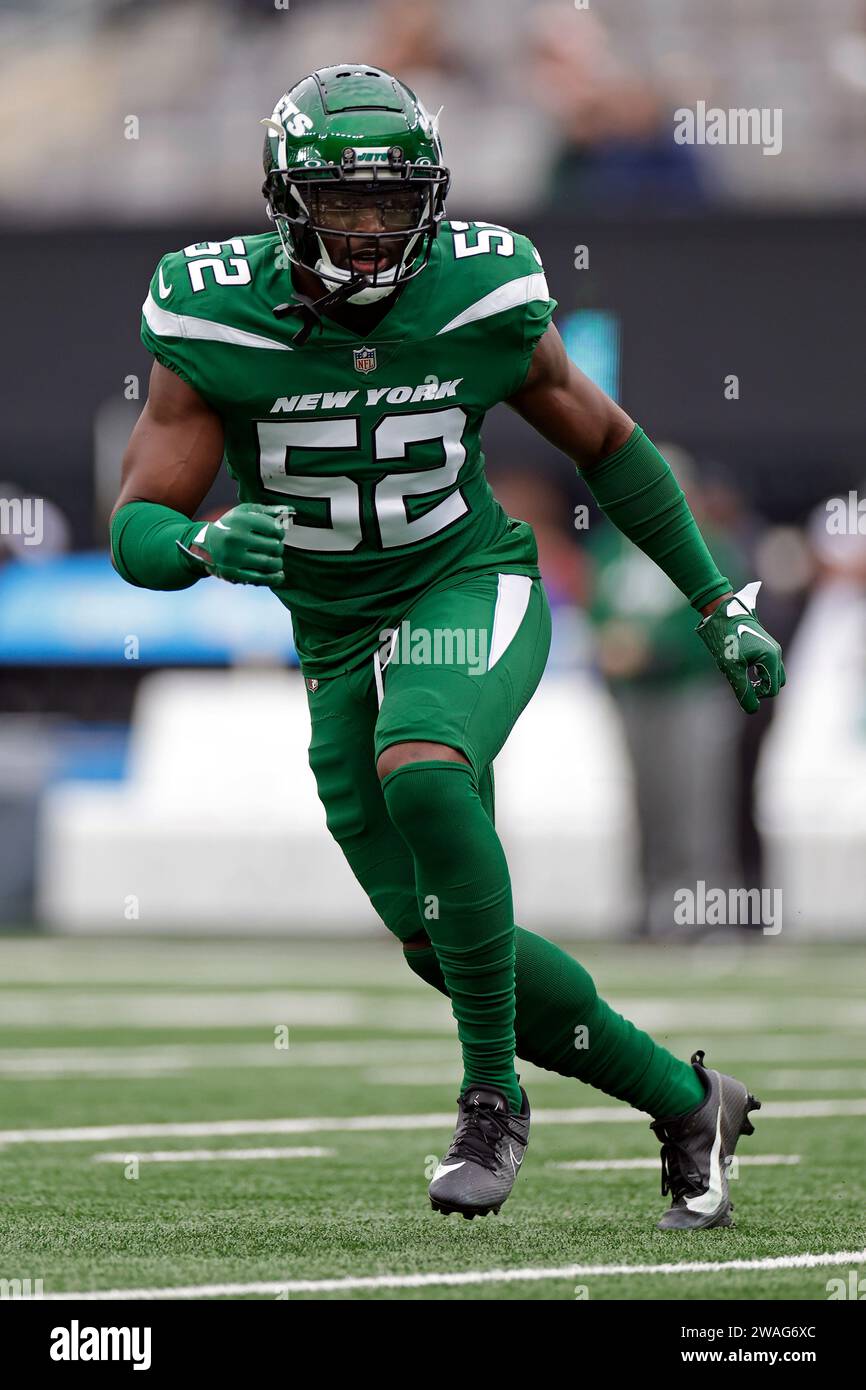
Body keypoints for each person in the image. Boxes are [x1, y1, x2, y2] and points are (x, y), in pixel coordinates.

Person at [110, 65, 782, 1227]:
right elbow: (136, 526)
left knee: (423, 766)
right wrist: (209, 542)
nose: (371, 232)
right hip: (332, 633)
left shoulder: (483, 290)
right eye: (343, 204)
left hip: (468, 579)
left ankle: (489, 1098)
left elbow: (611, 448)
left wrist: (714, 599)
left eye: (392, 202)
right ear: (286, 204)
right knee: (442, 945)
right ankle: (686, 1101)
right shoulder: (212, 313)